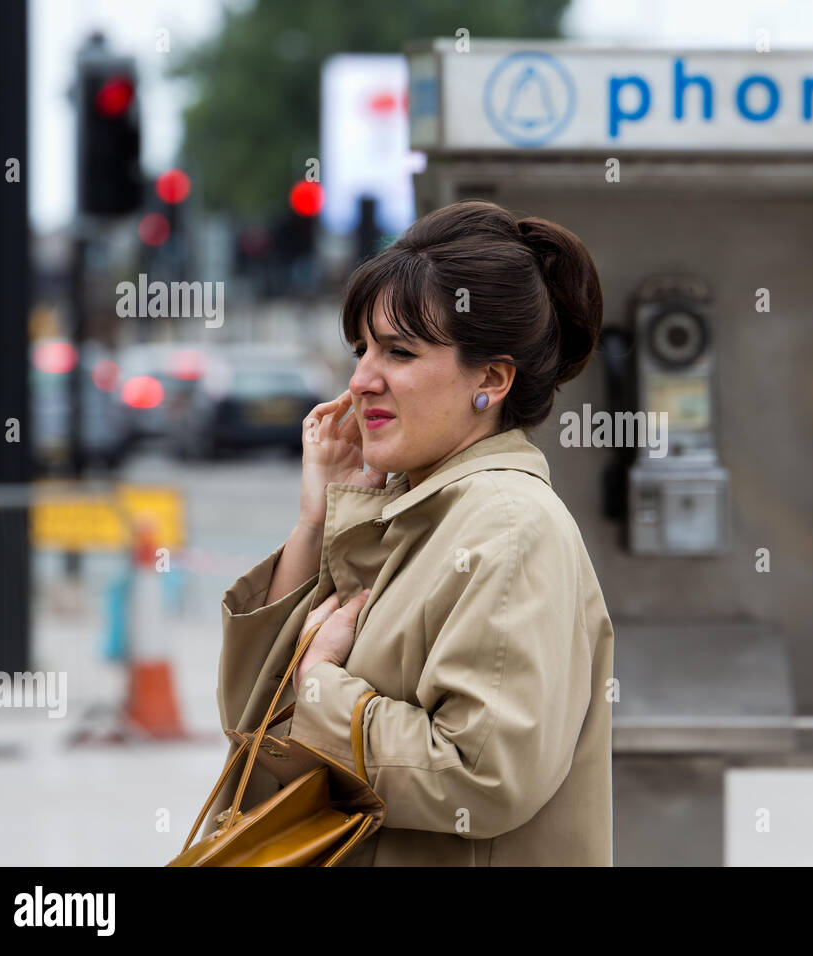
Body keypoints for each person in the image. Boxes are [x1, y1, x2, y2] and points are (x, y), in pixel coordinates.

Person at [201, 199, 614, 865]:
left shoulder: (509, 527)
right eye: (362, 349)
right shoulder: (407, 508)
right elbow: (253, 727)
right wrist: (317, 520)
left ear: (491, 378)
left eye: (399, 351)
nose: (362, 379)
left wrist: (321, 685)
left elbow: (481, 774)